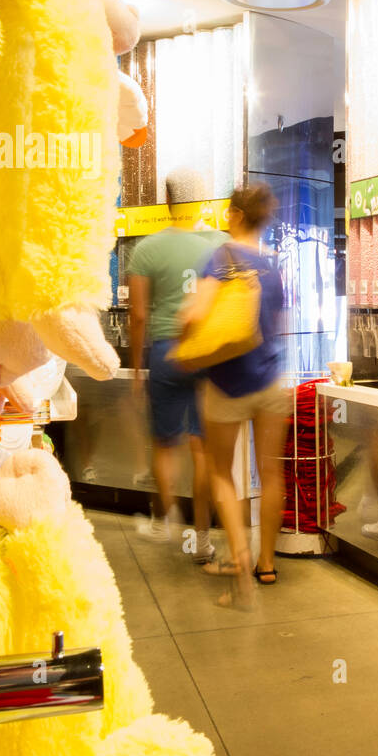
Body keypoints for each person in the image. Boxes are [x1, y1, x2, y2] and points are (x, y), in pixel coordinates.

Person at [183, 184, 291, 610]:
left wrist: (181, 326)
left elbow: (195, 313)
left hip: (227, 383)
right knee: (271, 476)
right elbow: (276, 323)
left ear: (235, 216)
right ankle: (267, 563)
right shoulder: (272, 266)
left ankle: (241, 564)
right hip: (270, 381)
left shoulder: (221, 257)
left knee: (220, 472)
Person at [127, 168, 225, 557]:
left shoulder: (147, 248)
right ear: (202, 201)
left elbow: (137, 315)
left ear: (168, 202)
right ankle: (200, 540)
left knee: (165, 444)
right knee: (203, 449)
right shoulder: (223, 243)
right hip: (209, 353)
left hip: (167, 351)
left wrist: (137, 366)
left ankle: (163, 520)